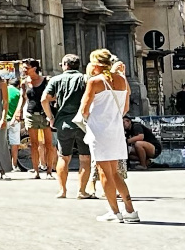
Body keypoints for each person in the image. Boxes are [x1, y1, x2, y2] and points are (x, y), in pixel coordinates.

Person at [78, 49, 139, 223]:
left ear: (95, 65)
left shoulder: (95, 81)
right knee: (115, 172)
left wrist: (91, 118)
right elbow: (125, 107)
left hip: (100, 130)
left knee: (105, 172)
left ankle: (114, 211)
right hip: (116, 130)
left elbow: (84, 108)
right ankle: (130, 210)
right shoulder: (122, 80)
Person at [43, 53, 94, 200]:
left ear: (65, 65)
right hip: (83, 123)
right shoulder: (85, 79)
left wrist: (51, 117)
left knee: (63, 157)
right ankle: (82, 191)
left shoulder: (56, 79)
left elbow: (44, 99)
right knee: (85, 158)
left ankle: (62, 190)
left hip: (63, 123)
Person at [20, 59, 53, 178]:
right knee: (33, 144)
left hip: (45, 114)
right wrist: (19, 111)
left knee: (48, 143)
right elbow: (23, 98)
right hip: (31, 113)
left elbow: (53, 96)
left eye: (26, 68)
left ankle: (49, 171)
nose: (24, 70)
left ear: (34, 68)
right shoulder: (24, 82)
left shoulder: (46, 81)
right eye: (23, 68)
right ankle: (36, 171)